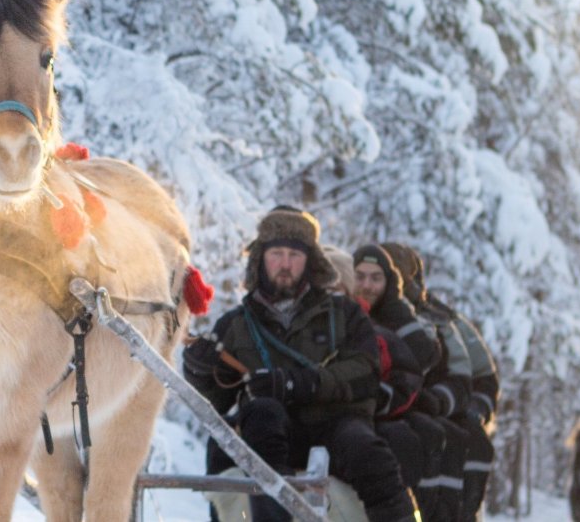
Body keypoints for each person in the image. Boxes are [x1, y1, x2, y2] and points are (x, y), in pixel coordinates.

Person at [183, 207, 417, 522]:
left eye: (294, 255)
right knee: (261, 413)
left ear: (310, 262)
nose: (285, 264)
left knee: (369, 452)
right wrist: (200, 370)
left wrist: (299, 383)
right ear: (260, 259)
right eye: (276, 253)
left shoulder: (344, 314)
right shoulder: (236, 324)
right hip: (269, 431)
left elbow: (364, 371)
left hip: (336, 425)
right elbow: (218, 400)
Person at [383, 242, 500, 522]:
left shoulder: (444, 320)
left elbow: (480, 374)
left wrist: (468, 408)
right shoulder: (364, 309)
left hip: (444, 409)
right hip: (400, 409)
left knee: (467, 442)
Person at [352, 244, 460, 520]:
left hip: (397, 405)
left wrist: (437, 398)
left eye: (375, 278)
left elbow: (427, 358)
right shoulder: (343, 312)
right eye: (360, 277)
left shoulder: (406, 313)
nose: (367, 285)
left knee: (438, 435)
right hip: (357, 410)